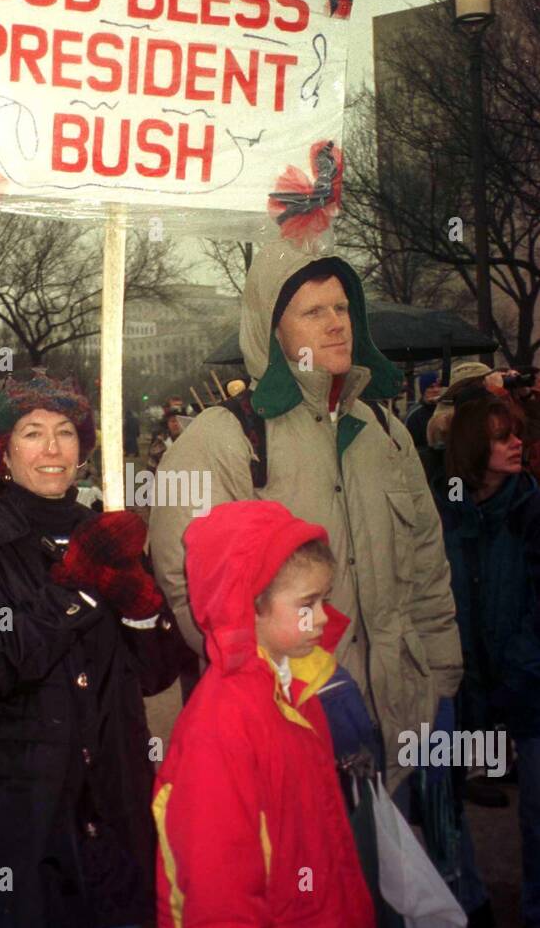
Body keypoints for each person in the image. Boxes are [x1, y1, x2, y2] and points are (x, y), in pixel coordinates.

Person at [150, 240, 462, 794]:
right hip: (290, 735)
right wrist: (295, 685)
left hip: (405, 731)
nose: (336, 324)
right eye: (313, 312)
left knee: (416, 878)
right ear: (273, 332)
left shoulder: (387, 433)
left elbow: (428, 571)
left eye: (342, 308)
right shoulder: (221, 441)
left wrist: (442, 686)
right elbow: (189, 591)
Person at [0, 372, 183, 928]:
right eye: (33, 433)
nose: (52, 449)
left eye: (66, 433)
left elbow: (153, 674)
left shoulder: (111, 536)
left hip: (111, 808)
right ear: (3, 451)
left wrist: (145, 608)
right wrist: (80, 588)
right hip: (23, 816)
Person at [153, 500, 403, 928]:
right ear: (247, 605)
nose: (322, 617)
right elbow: (215, 887)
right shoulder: (220, 728)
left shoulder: (299, 691)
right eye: (307, 603)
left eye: (325, 598)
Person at [433, 388, 540, 928]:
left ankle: (536, 918)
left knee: (538, 815)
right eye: (502, 436)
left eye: (517, 433)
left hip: (526, 684)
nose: (516, 443)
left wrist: (520, 669)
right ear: (475, 446)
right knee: (441, 795)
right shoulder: (447, 509)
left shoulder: (532, 508)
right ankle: (466, 896)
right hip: (460, 677)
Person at [404, 370, 441, 450]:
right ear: (423, 390)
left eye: (438, 386)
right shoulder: (414, 414)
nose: (436, 390)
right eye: (431, 387)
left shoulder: (444, 410)